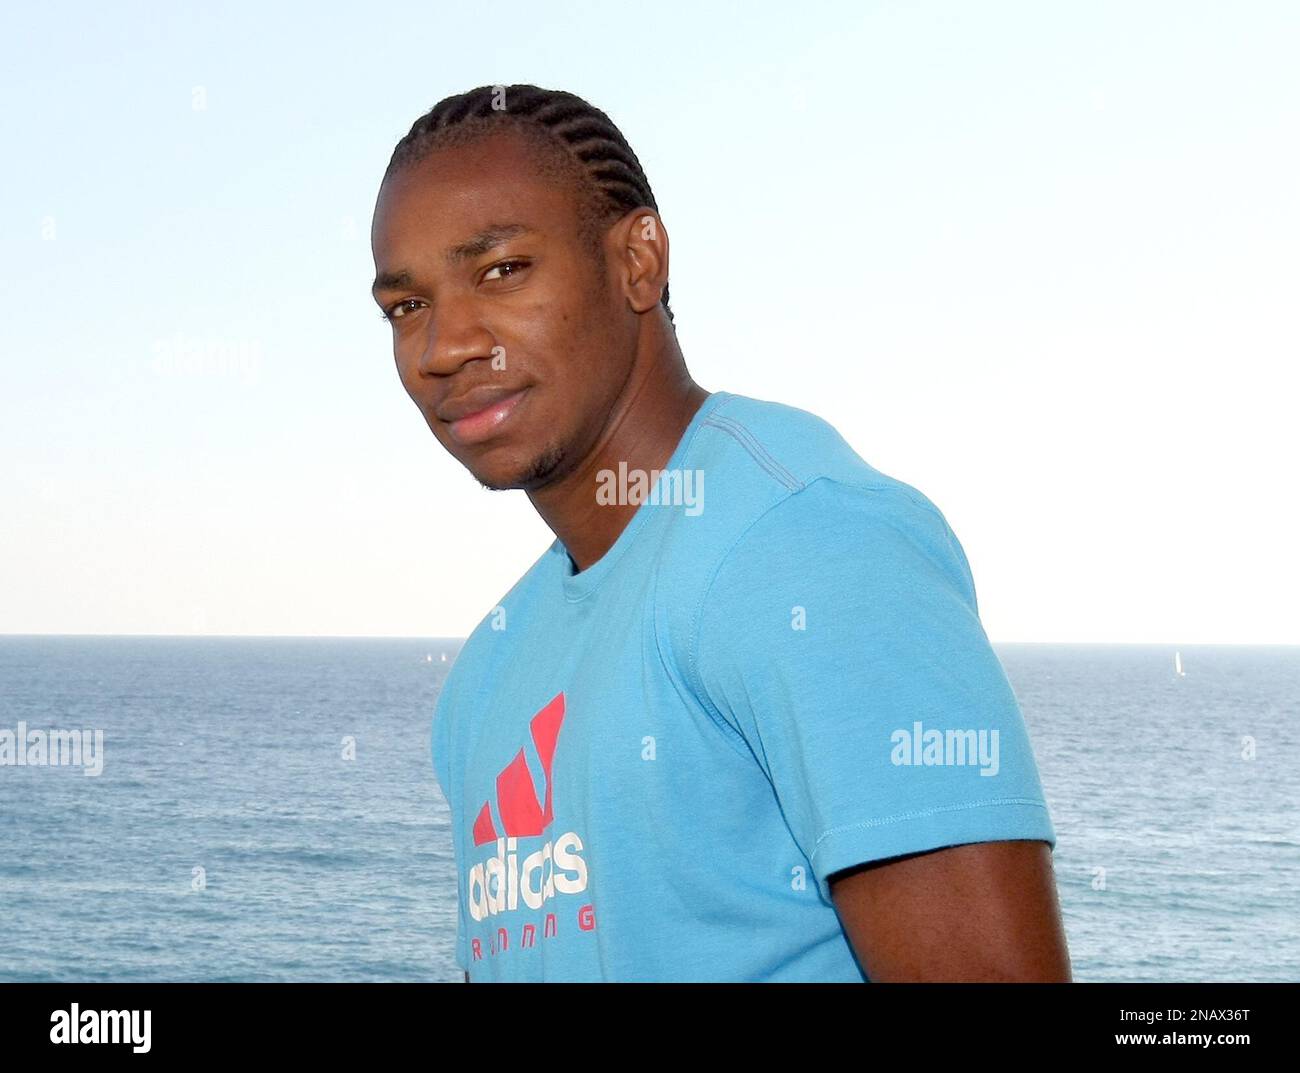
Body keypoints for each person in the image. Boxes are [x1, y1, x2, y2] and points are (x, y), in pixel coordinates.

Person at [369, 84, 1071, 983]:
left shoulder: (810, 549)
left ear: (638, 261)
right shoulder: (483, 682)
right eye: (406, 306)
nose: (445, 344)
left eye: (502, 269)